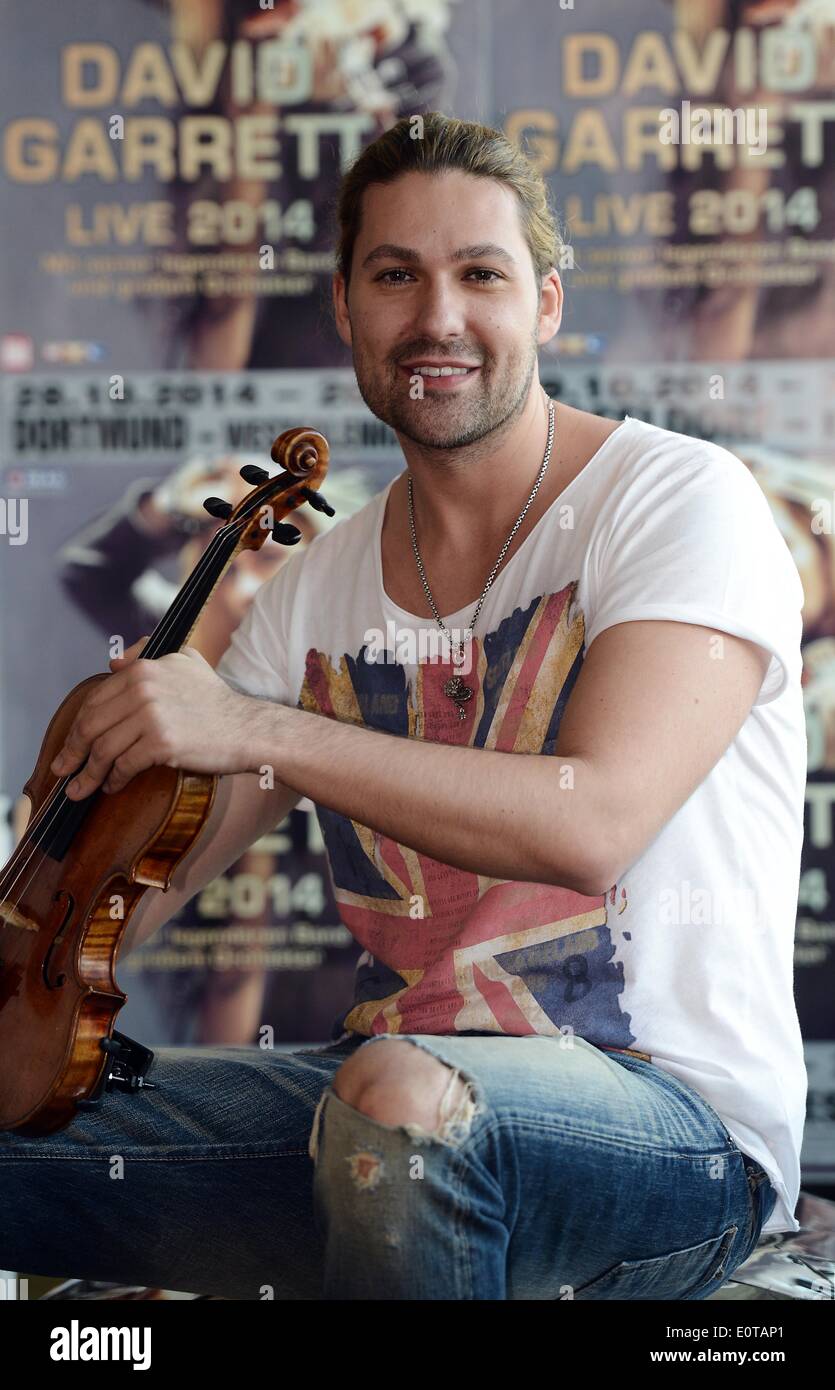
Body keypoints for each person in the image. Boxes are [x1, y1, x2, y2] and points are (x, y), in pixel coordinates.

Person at [0, 113, 804, 1301]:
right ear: (344, 306)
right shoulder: (321, 579)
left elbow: (591, 823)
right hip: (373, 1107)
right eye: (395, 276)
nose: (436, 317)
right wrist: (62, 875)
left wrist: (257, 727)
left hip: (672, 1133)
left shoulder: (679, 498)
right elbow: (161, 878)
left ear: (544, 304)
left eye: (479, 273)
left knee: (397, 1102)